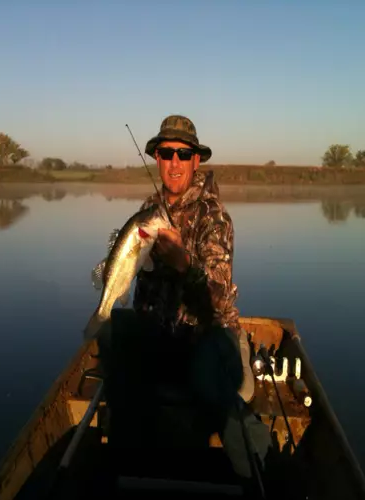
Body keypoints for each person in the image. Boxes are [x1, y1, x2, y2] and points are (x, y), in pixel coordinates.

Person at [96, 115, 272, 482]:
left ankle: (258, 467)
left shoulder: (215, 218)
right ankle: (123, 464)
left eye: (182, 153)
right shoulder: (148, 212)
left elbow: (219, 298)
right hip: (162, 331)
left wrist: (183, 264)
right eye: (166, 153)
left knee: (208, 378)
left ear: (196, 160)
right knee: (112, 334)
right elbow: (133, 270)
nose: (174, 162)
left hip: (208, 332)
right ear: (157, 159)